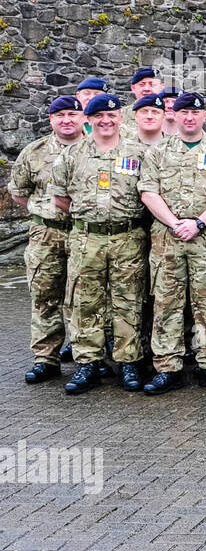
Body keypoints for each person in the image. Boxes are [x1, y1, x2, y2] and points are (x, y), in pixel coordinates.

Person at [137, 91, 206, 394]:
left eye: (195, 113)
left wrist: (199, 222)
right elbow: (147, 192)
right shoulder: (157, 152)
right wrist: (174, 223)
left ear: (203, 116)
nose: (190, 117)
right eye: (183, 112)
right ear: (175, 115)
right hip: (167, 239)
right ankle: (167, 366)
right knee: (166, 302)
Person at [50, 94, 150, 394]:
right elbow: (60, 198)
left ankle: (128, 362)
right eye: (98, 117)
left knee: (129, 300)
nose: (106, 121)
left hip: (128, 237)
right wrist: (91, 220)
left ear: (120, 117)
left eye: (111, 115)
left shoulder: (139, 152)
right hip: (87, 239)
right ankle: (87, 364)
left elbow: (150, 192)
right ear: (88, 120)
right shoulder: (72, 154)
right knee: (85, 302)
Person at [10, 95, 83, 384]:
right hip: (46, 233)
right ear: (51, 119)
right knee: (45, 295)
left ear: (83, 119)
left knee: (84, 297)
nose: (66, 120)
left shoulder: (97, 149)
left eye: (72, 115)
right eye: (60, 115)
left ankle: (87, 356)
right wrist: (44, 211)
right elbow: (18, 191)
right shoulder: (34, 151)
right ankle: (46, 358)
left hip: (83, 232)